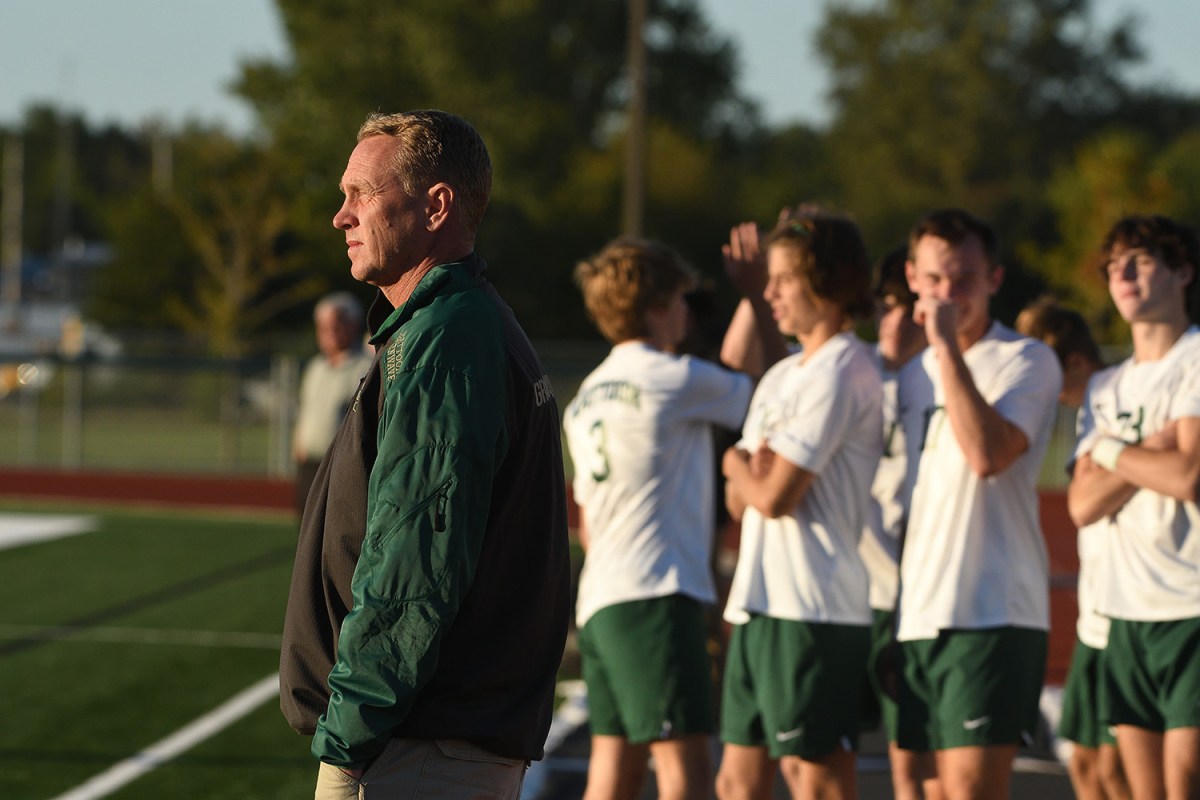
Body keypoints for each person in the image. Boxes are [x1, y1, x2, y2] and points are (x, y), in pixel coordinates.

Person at [278, 110, 572, 800]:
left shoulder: (449, 340)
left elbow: (415, 564)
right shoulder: (450, 326)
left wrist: (350, 738)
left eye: (362, 193)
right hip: (432, 738)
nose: (339, 216)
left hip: (417, 746)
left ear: (436, 205)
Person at [564, 237, 754, 800]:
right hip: (655, 593)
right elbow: (754, 390)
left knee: (614, 766)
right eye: (680, 299)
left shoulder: (586, 396)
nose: (686, 312)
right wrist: (754, 297)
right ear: (656, 308)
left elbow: (586, 524)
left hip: (601, 596)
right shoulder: (673, 378)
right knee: (685, 769)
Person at [894, 208, 1062, 800]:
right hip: (919, 610)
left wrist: (944, 345)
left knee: (970, 792)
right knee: (925, 790)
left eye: (964, 279)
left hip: (993, 610)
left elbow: (988, 454)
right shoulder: (909, 374)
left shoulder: (1026, 360)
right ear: (912, 277)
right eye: (935, 279)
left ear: (994, 278)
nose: (947, 294)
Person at [716, 214, 882, 800]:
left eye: (784, 279)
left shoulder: (844, 367)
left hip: (815, 607)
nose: (769, 292)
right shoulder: (784, 373)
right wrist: (746, 472)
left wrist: (742, 465)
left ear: (830, 282)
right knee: (737, 780)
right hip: (759, 602)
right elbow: (740, 502)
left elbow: (772, 496)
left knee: (813, 779)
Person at [1066, 214, 1200, 800]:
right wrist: (1146, 446)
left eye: (1140, 260)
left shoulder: (1195, 359)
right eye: (1114, 265)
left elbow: (1188, 475)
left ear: (1182, 273)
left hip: (1190, 603)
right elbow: (1081, 504)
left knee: (1185, 782)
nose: (1121, 274)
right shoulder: (1105, 387)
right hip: (1124, 610)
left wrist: (1112, 451)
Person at [1015, 297, 1130, 800]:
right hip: (1096, 611)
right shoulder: (1085, 415)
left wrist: (1118, 461)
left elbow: (1086, 501)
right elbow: (1084, 496)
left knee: (1120, 767)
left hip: (1135, 608)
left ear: (1076, 364)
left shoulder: (1120, 397)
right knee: (1082, 758)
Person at [858, 245, 930, 800]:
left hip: (918, 600)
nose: (894, 319)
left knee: (917, 767)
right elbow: (747, 359)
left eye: (906, 305)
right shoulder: (853, 369)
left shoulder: (941, 379)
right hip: (851, 600)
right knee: (814, 758)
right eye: (884, 305)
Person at [292, 291, 373, 515]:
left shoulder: (365, 367)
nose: (330, 334)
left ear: (353, 326)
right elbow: (306, 409)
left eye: (336, 326)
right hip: (310, 466)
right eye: (323, 328)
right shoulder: (315, 367)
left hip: (341, 468)